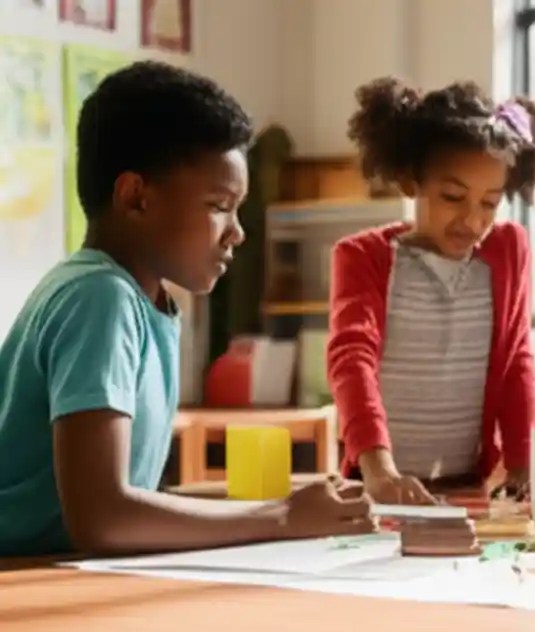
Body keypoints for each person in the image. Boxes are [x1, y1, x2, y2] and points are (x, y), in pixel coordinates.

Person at [0, 61, 374, 557]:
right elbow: (103, 518)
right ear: (136, 197)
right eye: (219, 205)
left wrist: (289, 503)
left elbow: (133, 504)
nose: (237, 232)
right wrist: (281, 516)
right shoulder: (100, 298)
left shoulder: (145, 304)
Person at [329, 78, 535, 505]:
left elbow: (516, 362)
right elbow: (352, 359)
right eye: (453, 197)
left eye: (489, 203)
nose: (472, 221)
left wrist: (523, 464)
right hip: (379, 488)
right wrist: (379, 470)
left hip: (465, 488)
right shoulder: (363, 256)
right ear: (409, 180)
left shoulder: (508, 251)